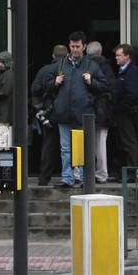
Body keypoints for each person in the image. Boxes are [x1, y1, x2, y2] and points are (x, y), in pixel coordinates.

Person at [51, 31, 108, 187]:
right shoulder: (61, 64)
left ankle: (84, 179)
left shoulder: (91, 65)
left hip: (83, 114)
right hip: (64, 113)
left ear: (84, 47)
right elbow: (45, 85)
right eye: (72, 46)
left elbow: (104, 87)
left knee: (83, 148)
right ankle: (67, 178)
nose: (75, 49)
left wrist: (91, 82)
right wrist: (54, 82)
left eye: (77, 46)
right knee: (66, 149)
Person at [31, 45, 67, 185]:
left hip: (49, 112)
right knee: (69, 146)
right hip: (67, 111)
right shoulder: (70, 69)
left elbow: (35, 89)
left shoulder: (44, 70)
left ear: (53, 56)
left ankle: (44, 177)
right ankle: (69, 176)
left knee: (48, 145)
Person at [110, 44, 138, 182]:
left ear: (127, 56)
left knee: (129, 143)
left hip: (128, 113)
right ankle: (123, 173)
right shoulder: (123, 71)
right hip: (123, 113)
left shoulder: (132, 72)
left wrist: (119, 106)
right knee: (122, 143)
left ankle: (130, 174)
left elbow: (132, 94)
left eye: (119, 55)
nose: (116, 58)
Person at [86, 41, 114, 182]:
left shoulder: (83, 66)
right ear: (100, 52)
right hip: (102, 110)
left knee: (84, 143)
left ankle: (85, 174)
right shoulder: (106, 67)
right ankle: (102, 174)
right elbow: (110, 87)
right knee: (100, 143)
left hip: (86, 110)